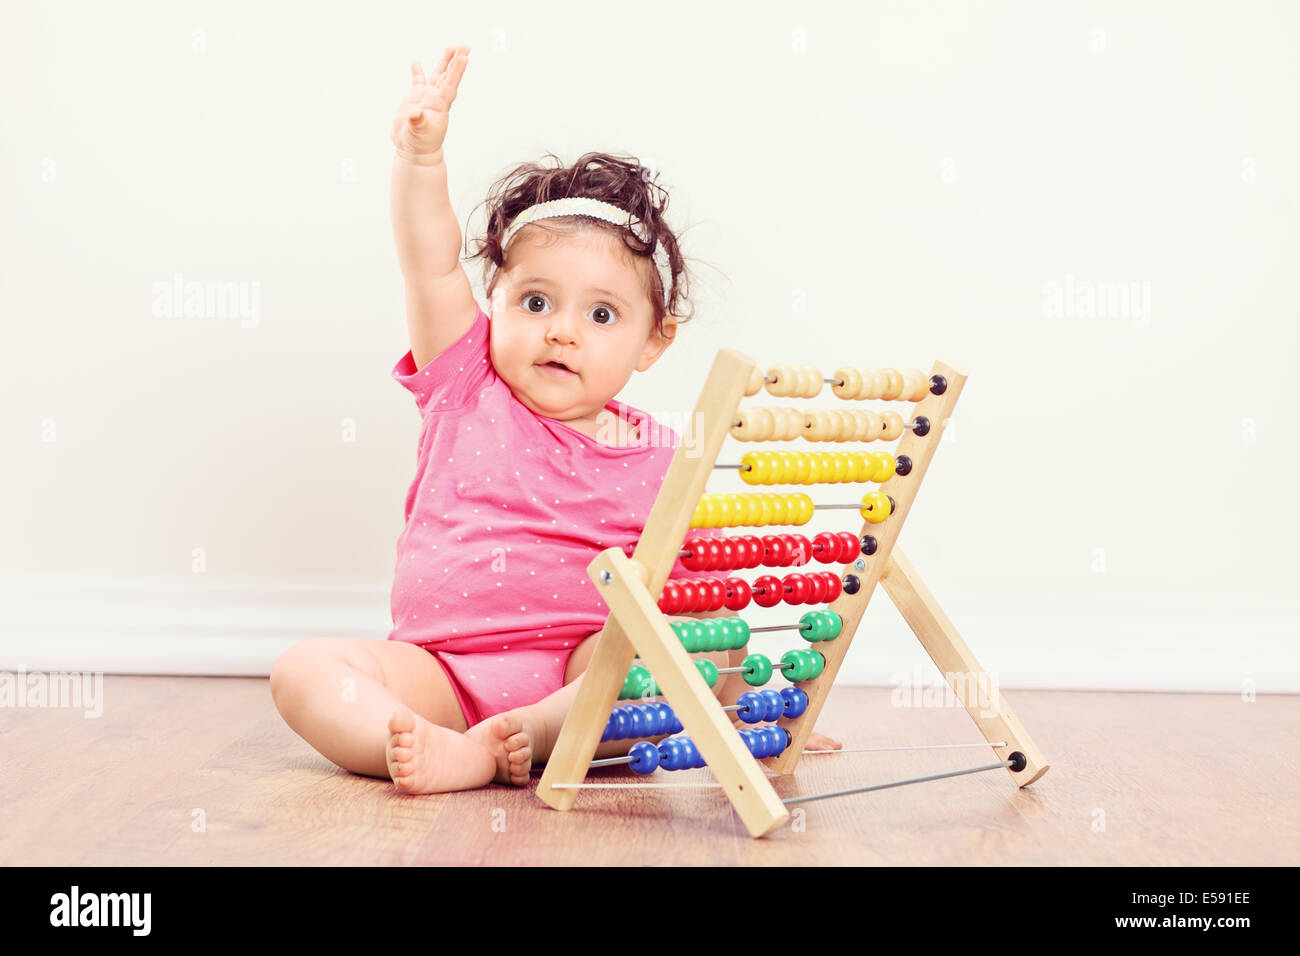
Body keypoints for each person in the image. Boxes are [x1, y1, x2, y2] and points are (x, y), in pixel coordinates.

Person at [270, 44, 841, 795]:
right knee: (305, 672)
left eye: (601, 313)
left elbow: (716, 612)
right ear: (495, 298)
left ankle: (535, 733)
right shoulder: (466, 384)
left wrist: (750, 710)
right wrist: (421, 158)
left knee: (687, 658)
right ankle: (445, 749)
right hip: (439, 673)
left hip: (586, 677)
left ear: (653, 342)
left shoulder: (671, 461)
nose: (562, 331)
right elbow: (430, 264)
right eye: (535, 302)